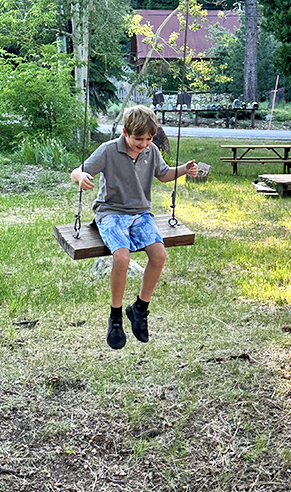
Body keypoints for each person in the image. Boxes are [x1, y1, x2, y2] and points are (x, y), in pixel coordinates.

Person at [71, 105, 198, 350]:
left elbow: (163, 174)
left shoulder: (151, 152)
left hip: (140, 214)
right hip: (111, 213)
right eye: (138, 139)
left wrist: (184, 170)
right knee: (122, 257)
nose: (144, 144)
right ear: (125, 132)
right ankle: (115, 316)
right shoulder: (108, 150)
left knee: (159, 255)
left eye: (149, 139)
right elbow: (77, 171)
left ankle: (139, 309)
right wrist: (81, 177)